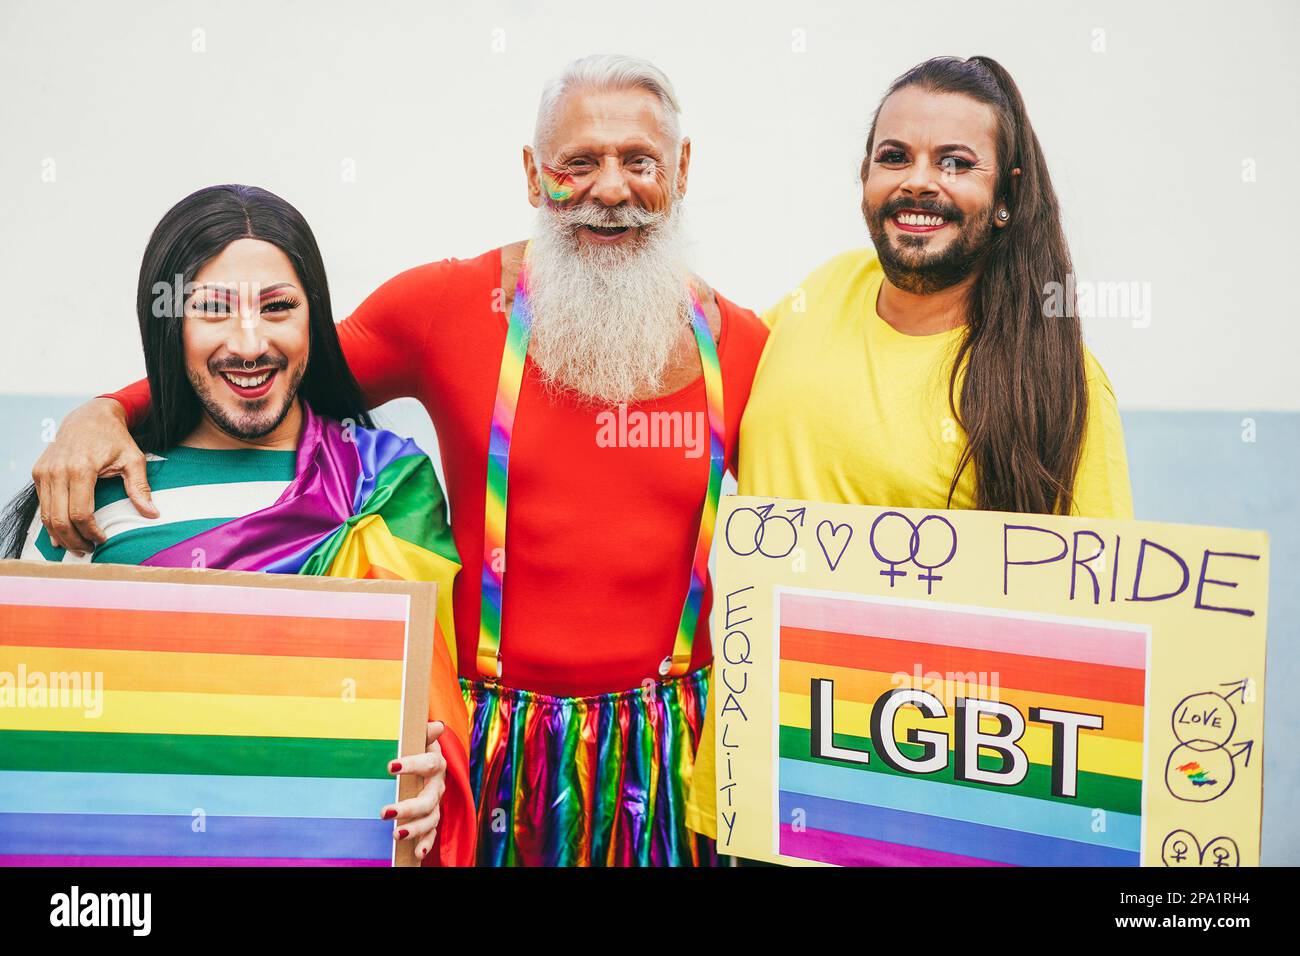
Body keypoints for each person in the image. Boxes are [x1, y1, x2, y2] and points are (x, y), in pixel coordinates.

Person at [29, 57, 770, 866]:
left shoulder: (748, 349)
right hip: (477, 757)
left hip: (666, 765)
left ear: (682, 169)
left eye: (640, 161)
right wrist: (105, 408)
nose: (611, 188)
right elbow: (280, 355)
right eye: (577, 164)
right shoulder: (447, 307)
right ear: (532, 175)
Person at [684, 56, 1134, 849]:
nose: (919, 181)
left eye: (956, 163)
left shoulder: (1057, 382)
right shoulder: (819, 294)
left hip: (925, 814)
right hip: (751, 786)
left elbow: (1099, 630)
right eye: (895, 157)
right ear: (864, 176)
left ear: (1005, 199)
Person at [2, 184, 475, 867]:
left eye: (278, 308)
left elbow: (431, 718)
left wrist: (435, 785)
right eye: (213, 311)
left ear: (315, 319)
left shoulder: (383, 487)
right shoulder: (90, 499)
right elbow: (33, 734)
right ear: (169, 324)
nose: (250, 343)